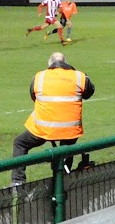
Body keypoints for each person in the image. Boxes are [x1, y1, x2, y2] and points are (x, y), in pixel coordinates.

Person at [9, 51, 95, 185]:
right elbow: (89, 92)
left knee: (20, 143)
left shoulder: (40, 76)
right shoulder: (79, 76)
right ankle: (60, 180)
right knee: (66, 148)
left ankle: (18, 181)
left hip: (43, 128)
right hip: (70, 129)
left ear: (50, 64)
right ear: (66, 63)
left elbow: (34, 96)